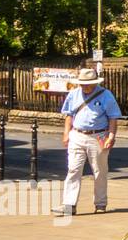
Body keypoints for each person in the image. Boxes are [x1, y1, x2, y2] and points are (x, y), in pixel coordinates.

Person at [52, 68, 123, 216]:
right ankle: (69, 205)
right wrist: (66, 133)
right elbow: (69, 115)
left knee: (99, 171)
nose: (86, 87)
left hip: (98, 136)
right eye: (83, 84)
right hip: (77, 135)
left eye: (89, 84)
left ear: (95, 83)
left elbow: (113, 118)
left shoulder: (106, 95)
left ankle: (100, 203)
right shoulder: (74, 94)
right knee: (73, 170)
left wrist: (111, 136)